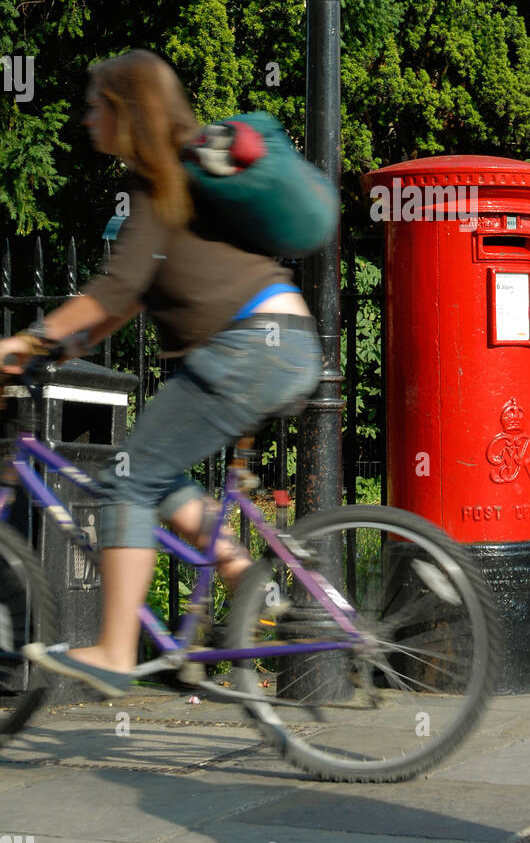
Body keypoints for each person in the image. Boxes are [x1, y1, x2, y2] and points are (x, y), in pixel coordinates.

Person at [0, 50, 324, 696]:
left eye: (97, 105)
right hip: (280, 343)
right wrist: (53, 352)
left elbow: (111, 289)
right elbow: (127, 300)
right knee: (147, 469)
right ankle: (237, 568)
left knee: (126, 487)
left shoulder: (158, 182)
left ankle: (116, 653)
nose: (87, 117)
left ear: (125, 110)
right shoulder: (179, 185)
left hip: (248, 351)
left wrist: (20, 340)